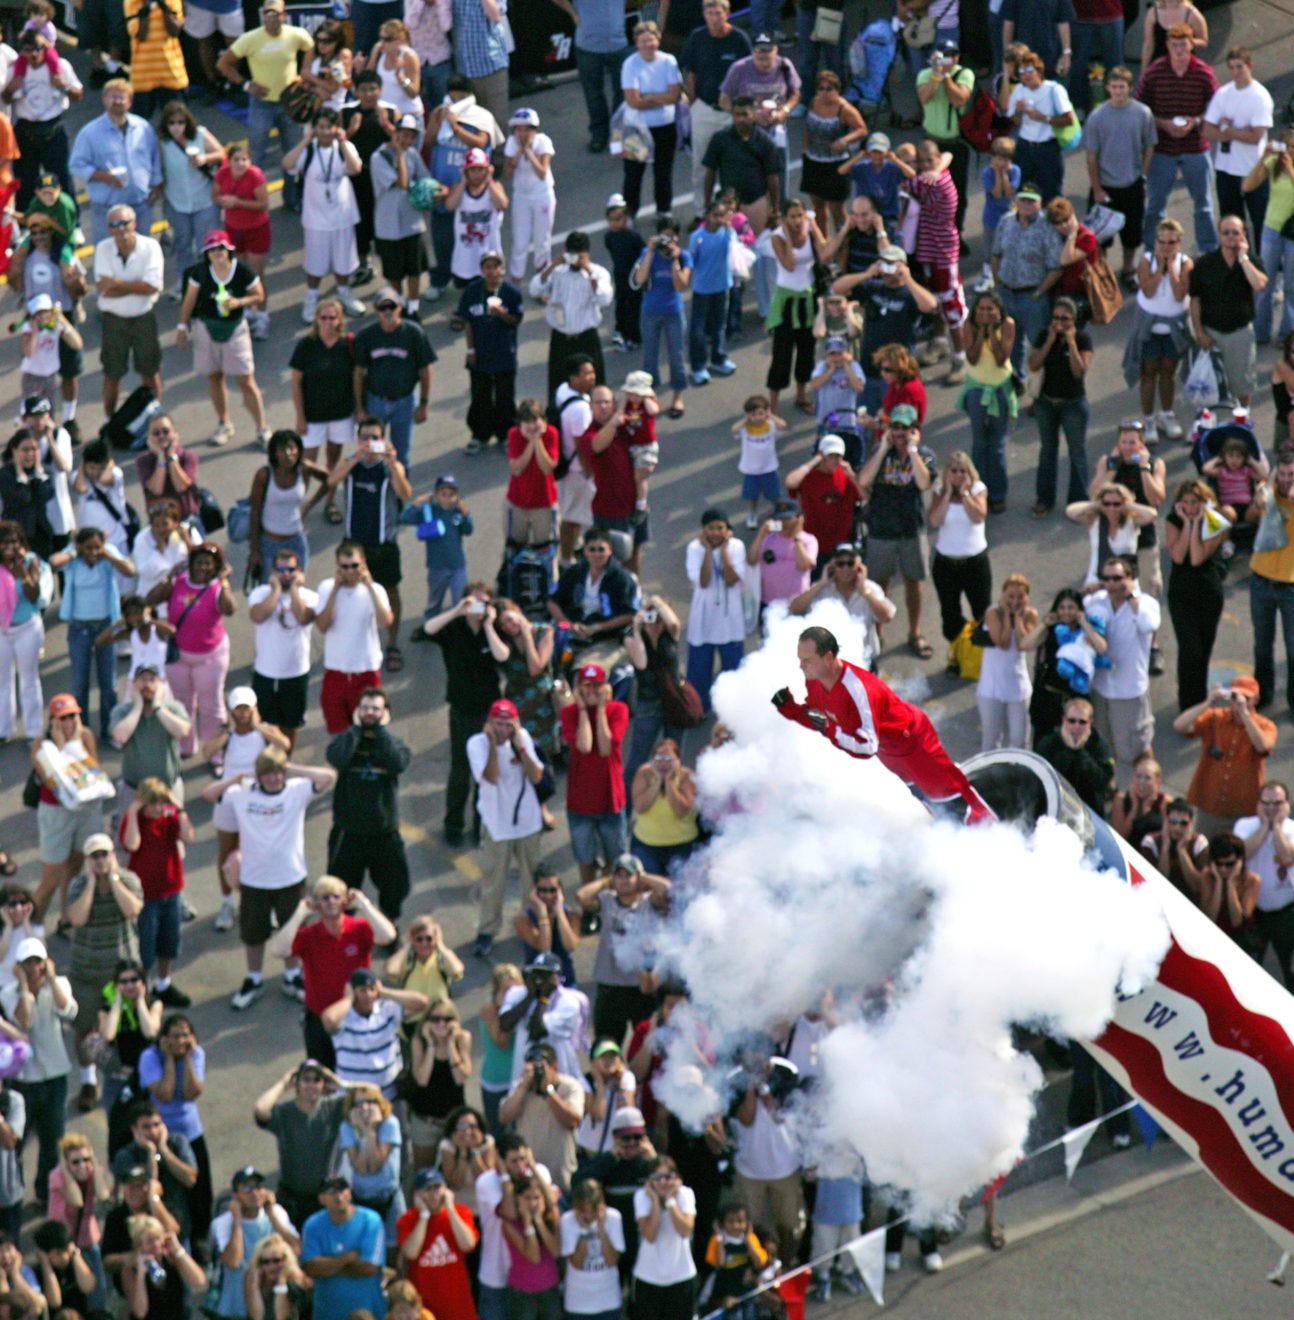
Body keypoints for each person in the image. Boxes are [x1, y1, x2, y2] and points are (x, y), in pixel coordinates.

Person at [774, 626, 993, 822]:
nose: (801, 666)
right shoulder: (814, 681)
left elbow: (866, 746)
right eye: (800, 659)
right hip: (889, 751)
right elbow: (820, 717)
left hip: (913, 742)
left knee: (952, 798)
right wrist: (791, 709)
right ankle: (955, 838)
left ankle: (993, 832)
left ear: (828, 657)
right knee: (927, 800)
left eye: (807, 660)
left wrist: (829, 729)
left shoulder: (860, 691)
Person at [218, 747, 337, 1011]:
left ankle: (293, 977)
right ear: (259, 776)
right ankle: (254, 978)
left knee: (293, 931)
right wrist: (236, 778)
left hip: (290, 877)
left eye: (277, 773)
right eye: (267, 774)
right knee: (253, 935)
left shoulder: (297, 790)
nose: (274, 779)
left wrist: (291, 767)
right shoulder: (242, 794)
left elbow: (329, 777)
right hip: (254, 880)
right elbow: (209, 794)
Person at [270, 874, 396, 1067]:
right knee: (323, 1071)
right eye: (324, 897)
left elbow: (388, 935)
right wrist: (299, 913)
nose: (330, 901)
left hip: (357, 1013)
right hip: (320, 1018)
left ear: (345, 900)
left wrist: (365, 905)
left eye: (336, 896)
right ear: (317, 904)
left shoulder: (359, 928)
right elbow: (278, 950)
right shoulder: (309, 935)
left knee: (360, 1067)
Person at [423, 585, 509, 850]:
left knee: (485, 770)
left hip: (487, 711)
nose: (477, 609)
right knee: (460, 769)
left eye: (484, 603)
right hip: (461, 708)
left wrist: (489, 626)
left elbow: (502, 655)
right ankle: (453, 825)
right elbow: (429, 629)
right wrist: (455, 612)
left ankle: (480, 825)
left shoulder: (492, 631)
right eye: (474, 603)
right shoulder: (455, 628)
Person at [328, 424, 413, 669]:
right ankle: (350, 643)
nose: (368, 442)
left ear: (382, 440)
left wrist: (393, 464)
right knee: (348, 593)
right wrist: (355, 457)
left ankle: (392, 644)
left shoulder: (389, 467)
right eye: (364, 437)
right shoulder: (351, 463)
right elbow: (332, 480)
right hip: (354, 544)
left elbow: (405, 492)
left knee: (390, 592)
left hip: (383, 543)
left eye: (374, 438)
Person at [216, 0, 313, 213]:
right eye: (268, 13)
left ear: (283, 15)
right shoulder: (250, 39)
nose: (272, 17)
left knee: (292, 153)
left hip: (290, 104)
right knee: (256, 154)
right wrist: (246, 84)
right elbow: (223, 63)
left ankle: (291, 198)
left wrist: (303, 73)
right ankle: (255, 200)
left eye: (276, 13)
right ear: (262, 15)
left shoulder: (296, 34)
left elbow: (310, 47)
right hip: (261, 104)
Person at [468, 698, 547, 960]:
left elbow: (536, 776)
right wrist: (493, 744)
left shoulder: (521, 737)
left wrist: (520, 746)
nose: (502, 730)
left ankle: (530, 924)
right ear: (489, 724)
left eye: (507, 725)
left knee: (531, 881)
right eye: (497, 725)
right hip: (496, 824)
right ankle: (487, 930)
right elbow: (490, 776)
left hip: (527, 822)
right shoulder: (477, 744)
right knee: (493, 881)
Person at [176, 228, 269, 449]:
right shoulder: (199, 273)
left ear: (229, 250)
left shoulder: (243, 271)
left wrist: (239, 302)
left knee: (246, 380)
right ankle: (224, 424)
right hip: (206, 327)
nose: (217, 252)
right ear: (206, 253)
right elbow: (189, 300)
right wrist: (182, 326)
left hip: (235, 328)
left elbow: (259, 295)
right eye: (211, 249)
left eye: (221, 248)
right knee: (214, 377)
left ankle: (262, 428)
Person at [325, 688, 412, 921]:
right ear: (357, 712)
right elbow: (336, 758)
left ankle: (389, 929)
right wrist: (355, 730)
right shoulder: (346, 740)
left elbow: (397, 763)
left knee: (395, 887)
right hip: (348, 832)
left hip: (383, 833)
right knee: (339, 890)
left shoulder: (394, 744)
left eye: (376, 709)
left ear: (385, 714)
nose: (369, 713)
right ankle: (345, 933)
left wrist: (380, 732)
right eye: (364, 708)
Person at [1, 939, 75, 1206]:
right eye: (27, 963)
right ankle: (14, 1190)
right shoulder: (9, 993)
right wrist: (24, 988)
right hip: (24, 1080)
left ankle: (46, 1192)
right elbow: (24, 1020)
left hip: (55, 1075)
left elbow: (68, 1010)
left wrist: (52, 980)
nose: (33, 968)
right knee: (17, 1143)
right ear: (18, 966)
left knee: (53, 1140)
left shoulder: (58, 985)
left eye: (37, 961)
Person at [1136, 24, 1219, 256]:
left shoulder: (1203, 72)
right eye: (1174, 45)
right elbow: (1140, 107)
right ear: (1167, 46)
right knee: (1155, 206)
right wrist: (1163, 124)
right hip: (1162, 148)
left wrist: (1195, 121)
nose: (1179, 50)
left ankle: (1209, 251)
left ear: (1192, 44)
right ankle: (1152, 251)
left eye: (1183, 44)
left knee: (1203, 205)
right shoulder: (1155, 71)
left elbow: (1216, 108)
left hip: (1195, 147)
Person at [857, 410, 935, 657]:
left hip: (911, 529)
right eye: (896, 427)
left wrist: (912, 451)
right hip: (881, 530)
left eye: (906, 427)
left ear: (914, 429)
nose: (900, 432)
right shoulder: (879, 452)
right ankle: (878, 632)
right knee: (879, 583)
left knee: (914, 582)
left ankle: (914, 632)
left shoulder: (924, 455)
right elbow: (863, 480)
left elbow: (923, 484)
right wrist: (881, 449)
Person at [148, 541, 237, 758]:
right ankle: (186, 745)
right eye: (199, 562)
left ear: (216, 566)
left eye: (209, 563)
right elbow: (149, 600)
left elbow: (230, 609)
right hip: (178, 656)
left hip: (210, 658)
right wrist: (168, 576)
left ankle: (215, 753)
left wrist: (224, 581)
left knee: (211, 708)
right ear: (190, 563)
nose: (203, 567)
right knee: (181, 704)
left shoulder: (217, 589)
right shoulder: (177, 582)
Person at [1082, 555, 1161, 771]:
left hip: (1129, 689)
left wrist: (1131, 597)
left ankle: (1147, 783)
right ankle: (1112, 786)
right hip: (1101, 687)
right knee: (1102, 744)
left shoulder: (1146, 604)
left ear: (1129, 577)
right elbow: (1072, 610)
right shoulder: (1096, 601)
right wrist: (1088, 590)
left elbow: (1148, 624)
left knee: (1137, 747)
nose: (1111, 584)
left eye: (1117, 578)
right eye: (1106, 579)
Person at [253, 1059, 352, 1232]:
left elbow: (371, 1094)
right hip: (291, 1197)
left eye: (317, 1080)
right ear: (297, 1084)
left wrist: (338, 1082)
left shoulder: (332, 1108)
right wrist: (283, 1084)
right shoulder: (284, 1112)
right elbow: (261, 1109)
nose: (311, 1085)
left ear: (324, 1084)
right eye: (306, 1079)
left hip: (323, 1197)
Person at [120, 780, 194, 1006]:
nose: (160, 808)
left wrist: (179, 808)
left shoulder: (171, 815)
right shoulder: (135, 819)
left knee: (169, 942)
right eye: (153, 803)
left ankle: (163, 984)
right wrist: (132, 811)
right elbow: (131, 844)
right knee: (145, 948)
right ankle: (144, 989)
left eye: (162, 802)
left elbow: (189, 837)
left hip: (171, 891)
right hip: (145, 897)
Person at [1082, 66, 1157, 285]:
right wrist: (1096, 189)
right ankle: (1103, 274)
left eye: (1121, 87)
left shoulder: (1142, 113)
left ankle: (1127, 270)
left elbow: (1149, 145)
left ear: (1130, 88)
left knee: (1132, 237)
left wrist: (1142, 174)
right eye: (1113, 87)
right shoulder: (1097, 117)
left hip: (1132, 185)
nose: (1117, 91)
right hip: (1105, 187)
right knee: (1099, 238)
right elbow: (1091, 157)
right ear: (1107, 88)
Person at [314, 540, 395, 735]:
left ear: (363, 563)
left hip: (365, 671)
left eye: (354, 566)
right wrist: (335, 589)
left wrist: (369, 586)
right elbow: (322, 625)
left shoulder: (375, 589)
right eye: (345, 566)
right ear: (337, 565)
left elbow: (386, 621)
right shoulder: (326, 588)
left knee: (369, 731)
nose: (350, 571)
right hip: (336, 671)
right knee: (339, 733)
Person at [1189, 215, 1268, 411]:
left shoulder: (1250, 262)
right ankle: (1207, 424)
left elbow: (1259, 284)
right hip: (1211, 332)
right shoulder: (1205, 263)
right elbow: (1195, 299)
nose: (1231, 236)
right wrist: (1199, 333)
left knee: (1242, 383)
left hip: (1239, 333)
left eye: (1235, 232)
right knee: (1207, 383)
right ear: (1219, 235)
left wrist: (1243, 258)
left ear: (1243, 235)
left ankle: (1243, 417)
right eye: (1226, 232)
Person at [69, 79, 163, 243]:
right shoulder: (90, 132)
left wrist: (155, 190)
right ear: (104, 99)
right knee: (108, 256)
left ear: (130, 102)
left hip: (140, 205)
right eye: (113, 97)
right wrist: (105, 177)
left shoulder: (143, 128)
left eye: (122, 97)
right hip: (106, 209)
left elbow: (154, 159)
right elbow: (76, 165)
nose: (117, 101)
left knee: (141, 254)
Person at [1162, 478, 1228, 711]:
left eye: (1195, 502)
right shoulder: (1172, 521)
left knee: (1203, 650)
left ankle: (1200, 703)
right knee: (1189, 649)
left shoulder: (1214, 521)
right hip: (1181, 592)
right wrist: (1188, 525)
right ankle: (1188, 705)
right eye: (1186, 502)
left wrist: (1198, 521)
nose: (1190, 507)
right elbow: (1180, 557)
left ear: (1204, 502)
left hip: (1208, 591)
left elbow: (1198, 557)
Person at [93, 203, 164, 420]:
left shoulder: (151, 247)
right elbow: (105, 291)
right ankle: (109, 419)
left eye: (124, 222)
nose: (121, 228)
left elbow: (152, 286)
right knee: (112, 374)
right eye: (115, 224)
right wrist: (137, 287)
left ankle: (156, 417)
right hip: (113, 321)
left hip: (143, 317)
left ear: (134, 223)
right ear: (109, 228)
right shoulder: (103, 249)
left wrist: (116, 284)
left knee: (149, 372)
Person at [353, 289, 437, 470]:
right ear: (376, 311)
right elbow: (359, 373)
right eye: (382, 307)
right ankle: (375, 489)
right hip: (376, 402)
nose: (387, 311)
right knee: (372, 451)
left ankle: (399, 493)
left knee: (401, 454)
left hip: (404, 402)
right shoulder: (366, 336)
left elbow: (425, 370)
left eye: (391, 306)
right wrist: (359, 407)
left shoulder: (414, 333)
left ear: (400, 307)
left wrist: (423, 404)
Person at [1173, 678, 1276, 827]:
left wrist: (1245, 714)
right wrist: (1207, 702)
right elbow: (1179, 725)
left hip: (1243, 806)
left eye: (1246, 698)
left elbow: (1263, 747)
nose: (1240, 702)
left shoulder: (1265, 725)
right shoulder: (1215, 717)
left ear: (1256, 700)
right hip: (1210, 801)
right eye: (1236, 697)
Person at [1126, 218, 1193, 443]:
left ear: (1178, 243)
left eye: (1171, 242)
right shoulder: (1145, 261)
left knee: (1168, 372)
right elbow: (1148, 290)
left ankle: (1166, 414)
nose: (1165, 247)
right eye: (1161, 241)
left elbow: (1178, 294)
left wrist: (1171, 270)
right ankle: (1149, 419)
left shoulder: (1185, 263)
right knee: (1148, 372)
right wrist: (1160, 268)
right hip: (1150, 328)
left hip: (1173, 329)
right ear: (1155, 242)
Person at [1028, 296, 1094, 518]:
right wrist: (1050, 340)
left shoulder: (1083, 339)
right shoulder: (1044, 335)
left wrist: (1071, 342)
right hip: (1046, 402)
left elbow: (1079, 371)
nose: (1058, 322)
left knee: (1077, 452)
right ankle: (1044, 499)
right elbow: (1034, 363)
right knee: (1048, 450)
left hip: (1073, 405)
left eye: (1064, 318)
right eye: (1055, 317)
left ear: (1073, 320)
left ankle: (1078, 501)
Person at [680, 0, 750, 203]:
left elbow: (747, 76)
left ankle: (735, 213)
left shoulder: (739, 39)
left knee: (736, 165)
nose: (714, 18)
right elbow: (691, 73)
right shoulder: (697, 37)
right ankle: (702, 211)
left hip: (732, 114)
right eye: (709, 13)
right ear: (704, 15)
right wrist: (694, 106)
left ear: (727, 14)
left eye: (718, 13)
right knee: (701, 166)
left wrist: (741, 111)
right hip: (704, 110)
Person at [532, 233, 614, 403]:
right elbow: (535, 290)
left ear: (587, 253)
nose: (576, 260)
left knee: (595, 386)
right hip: (561, 340)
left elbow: (605, 298)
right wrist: (551, 266)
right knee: (558, 386)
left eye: (580, 255)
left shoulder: (598, 272)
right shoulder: (557, 271)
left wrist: (589, 271)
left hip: (586, 339)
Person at [208, 1167, 300, 1320]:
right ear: (235, 1196)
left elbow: (296, 1250)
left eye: (258, 1187)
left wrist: (271, 1214)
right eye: (246, 1188)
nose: (254, 1193)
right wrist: (237, 1221)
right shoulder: (223, 1222)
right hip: (235, 1307)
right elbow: (233, 1261)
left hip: (271, 1303)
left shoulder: (276, 1212)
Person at [764, 199, 827, 418]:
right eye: (792, 216)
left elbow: (825, 252)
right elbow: (789, 265)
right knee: (781, 354)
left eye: (800, 215)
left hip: (808, 299)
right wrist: (789, 238)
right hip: (786, 302)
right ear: (784, 218)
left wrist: (815, 227)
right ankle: (773, 405)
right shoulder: (777, 238)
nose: (797, 221)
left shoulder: (809, 229)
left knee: (806, 350)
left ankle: (801, 395)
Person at [6, 33, 82, 214]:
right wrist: (11, 88)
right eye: (28, 50)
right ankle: (26, 223)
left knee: (62, 177)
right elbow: (6, 99)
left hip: (53, 127)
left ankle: (74, 222)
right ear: (22, 51)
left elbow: (78, 95)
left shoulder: (60, 66)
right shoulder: (16, 69)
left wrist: (63, 86)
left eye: (38, 49)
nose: (33, 54)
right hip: (26, 128)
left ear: (46, 48)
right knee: (25, 180)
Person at [498, 1041, 586, 1194]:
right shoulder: (521, 1086)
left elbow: (572, 1121)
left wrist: (548, 1090)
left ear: (555, 1067)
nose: (538, 1072)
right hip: (528, 1180)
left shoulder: (570, 1086)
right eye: (533, 1066)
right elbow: (504, 1116)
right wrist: (523, 1087)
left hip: (561, 1178)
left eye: (542, 1067)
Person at [1203, 48, 1273, 241]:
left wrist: (1226, 130)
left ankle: (1261, 261)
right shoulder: (1223, 94)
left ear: (1249, 66)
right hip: (1226, 170)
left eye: (1240, 67)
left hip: (1254, 169)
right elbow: (1208, 130)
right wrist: (1237, 132)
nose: (1236, 72)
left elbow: (1255, 137)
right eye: (1232, 67)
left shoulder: (1260, 96)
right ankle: (1236, 261)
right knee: (1231, 222)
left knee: (1260, 220)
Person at [324, 971, 428, 1099]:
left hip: (389, 1094)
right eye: (362, 990)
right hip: (353, 1098)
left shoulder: (387, 1008)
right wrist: (348, 999)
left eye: (371, 989)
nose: (368, 995)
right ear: (353, 991)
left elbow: (422, 1003)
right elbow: (329, 1019)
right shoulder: (343, 1016)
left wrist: (384, 992)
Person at [460, 251, 524, 456]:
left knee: (505, 397)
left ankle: (506, 435)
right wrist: (470, 350)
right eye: (488, 267)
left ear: (502, 269)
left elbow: (516, 320)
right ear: (482, 270)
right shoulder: (472, 291)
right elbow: (468, 322)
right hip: (480, 355)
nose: (492, 271)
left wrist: (501, 314)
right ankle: (479, 435)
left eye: (496, 267)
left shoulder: (511, 292)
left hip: (504, 353)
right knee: (480, 396)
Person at [958, 290, 1016, 514]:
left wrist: (992, 332)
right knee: (979, 443)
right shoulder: (970, 325)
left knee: (997, 445)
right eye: (981, 309)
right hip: (976, 389)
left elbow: (1002, 359)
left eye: (990, 309)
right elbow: (971, 357)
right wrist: (981, 331)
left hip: (1000, 389)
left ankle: (998, 494)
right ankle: (976, 491)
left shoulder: (1008, 325)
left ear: (999, 311)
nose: (984, 312)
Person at [684, 508, 746, 714]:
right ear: (703, 530)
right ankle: (699, 709)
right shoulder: (695, 548)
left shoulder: (737, 546)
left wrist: (725, 550)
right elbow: (703, 581)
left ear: (727, 529)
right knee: (699, 670)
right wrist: (708, 552)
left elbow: (731, 579)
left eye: (720, 528)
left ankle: (732, 711)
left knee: (733, 670)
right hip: (704, 617)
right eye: (711, 528)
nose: (715, 533)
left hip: (730, 618)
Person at [1233, 784, 1294, 990]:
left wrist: (1276, 826)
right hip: (1254, 910)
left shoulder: (1291, 829)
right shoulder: (1245, 825)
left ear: (1287, 805)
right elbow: (1242, 854)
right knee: (1248, 966)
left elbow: (1287, 856)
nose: (1271, 807)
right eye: (1266, 802)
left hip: (1285, 913)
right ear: (1258, 804)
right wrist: (1263, 826)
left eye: (1277, 803)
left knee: (1289, 969)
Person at [619, 22, 683, 220]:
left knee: (663, 172)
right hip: (635, 129)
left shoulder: (668, 61)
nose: (648, 44)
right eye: (643, 40)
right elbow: (633, 101)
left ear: (658, 40)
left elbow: (675, 96)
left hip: (665, 127)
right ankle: (630, 214)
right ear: (636, 43)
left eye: (651, 39)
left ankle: (664, 211)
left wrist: (649, 96)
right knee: (633, 174)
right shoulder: (630, 64)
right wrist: (661, 97)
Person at [397, 1167, 479, 1318]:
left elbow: (468, 1244)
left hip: (458, 1306)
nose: (434, 1194)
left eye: (437, 1187)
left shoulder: (461, 1212)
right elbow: (410, 1252)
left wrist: (450, 1209)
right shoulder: (408, 1219)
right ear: (418, 1194)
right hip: (424, 1308)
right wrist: (424, 1216)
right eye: (428, 1189)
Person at [301, 1176, 386, 1320]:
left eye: (342, 1189)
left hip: (367, 1313)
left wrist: (328, 1266)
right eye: (331, 1191)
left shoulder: (371, 1220)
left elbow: (369, 1267)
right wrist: (348, 1257)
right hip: (327, 1313)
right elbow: (311, 1268)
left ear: (350, 1193)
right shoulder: (312, 1225)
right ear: (322, 1198)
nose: (338, 1195)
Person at [632, 217, 692, 419]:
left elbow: (680, 285)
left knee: (676, 357)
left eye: (671, 236)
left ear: (677, 237)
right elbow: (639, 279)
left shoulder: (684, 256)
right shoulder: (647, 253)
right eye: (663, 236)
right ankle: (651, 395)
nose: (667, 240)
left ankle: (677, 396)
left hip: (673, 312)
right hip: (650, 311)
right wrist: (650, 251)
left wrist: (674, 260)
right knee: (650, 357)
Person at [212, 143, 272, 339]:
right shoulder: (222, 174)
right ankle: (245, 312)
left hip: (256, 229)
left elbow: (263, 204)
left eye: (244, 159)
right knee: (238, 273)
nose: (240, 164)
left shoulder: (255, 176)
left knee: (255, 274)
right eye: (236, 160)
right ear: (229, 161)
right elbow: (215, 196)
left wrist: (237, 202)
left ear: (250, 161)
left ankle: (262, 316)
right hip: (234, 229)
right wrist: (224, 201)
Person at [1249, 451, 1294, 714]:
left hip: (1290, 585)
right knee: (1262, 644)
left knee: (1293, 648)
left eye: (1292, 475)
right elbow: (1255, 508)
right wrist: (1268, 484)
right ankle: (1263, 695)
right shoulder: (1268, 492)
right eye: (1283, 473)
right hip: (1262, 580)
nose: (1287, 480)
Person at [0, 523, 52, 743]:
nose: (11, 547)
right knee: (2, 681)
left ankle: (33, 730)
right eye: (6, 542)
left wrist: (22, 574)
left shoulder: (30, 561)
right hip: (2, 630)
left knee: (29, 679)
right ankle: (4, 730)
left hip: (27, 628)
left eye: (15, 542)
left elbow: (34, 596)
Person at [632, 1157, 697, 1320]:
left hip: (682, 1277)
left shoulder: (686, 1194)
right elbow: (650, 1235)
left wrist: (669, 1200)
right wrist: (655, 1201)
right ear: (649, 1180)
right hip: (648, 1278)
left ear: (676, 1178)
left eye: (667, 1177)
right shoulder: (642, 1196)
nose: (662, 1181)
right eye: (656, 1177)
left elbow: (685, 1230)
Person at [1248, 129, 1294, 347]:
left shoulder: (1287, 167)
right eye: (1289, 146)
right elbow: (1247, 186)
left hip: (1292, 233)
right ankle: (1260, 331)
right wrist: (1263, 159)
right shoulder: (1275, 162)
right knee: (1265, 283)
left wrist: (1291, 171)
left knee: (1291, 287)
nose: (1292, 150)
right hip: (1271, 228)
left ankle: (1287, 334)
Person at [1035, 695, 1115, 814]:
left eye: (1082, 722)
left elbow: (1102, 781)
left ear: (1090, 723)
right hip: (1055, 803)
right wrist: (1068, 751)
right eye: (1071, 721)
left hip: (1089, 807)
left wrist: (1080, 752)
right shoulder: (1049, 742)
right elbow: (1044, 777)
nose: (1076, 726)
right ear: (1063, 720)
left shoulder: (1099, 744)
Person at [561, 1178, 625, 1320]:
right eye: (583, 1211)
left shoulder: (614, 1218)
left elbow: (611, 1260)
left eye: (593, 1211)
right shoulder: (567, 1220)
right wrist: (585, 1231)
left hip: (609, 1302)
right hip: (578, 1305)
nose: (589, 1216)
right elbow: (576, 1263)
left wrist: (601, 1229)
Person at [119, 1214, 207, 1316]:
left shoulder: (171, 1258)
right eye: (150, 1241)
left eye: (158, 1238)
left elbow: (199, 1282)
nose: (156, 1244)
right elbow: (140, 1312)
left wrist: (178, 1250)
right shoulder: (129, 1271)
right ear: (139, 1245)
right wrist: (141, 1275)